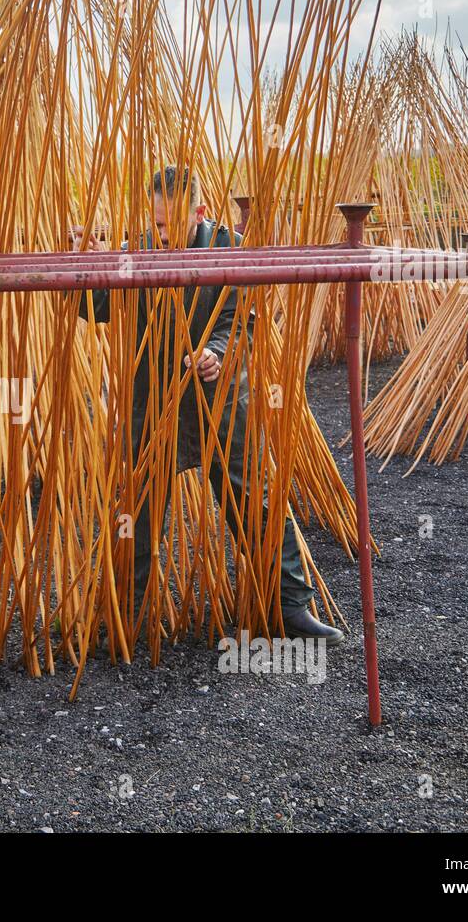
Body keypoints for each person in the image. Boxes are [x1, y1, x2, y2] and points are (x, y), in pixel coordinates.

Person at [76, 167, 343, 643]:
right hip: (153, 401)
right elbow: (94, 307)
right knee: (136, 509)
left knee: (256, 500)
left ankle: (289, 606)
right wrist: (85, 267)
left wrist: (216, 352)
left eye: (170, 225)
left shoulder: (228, 246)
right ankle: (127, 618)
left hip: (221, 401)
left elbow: (242, 318)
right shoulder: (135, 251)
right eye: (155, 224)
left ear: (199, 212)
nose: (160, 235)